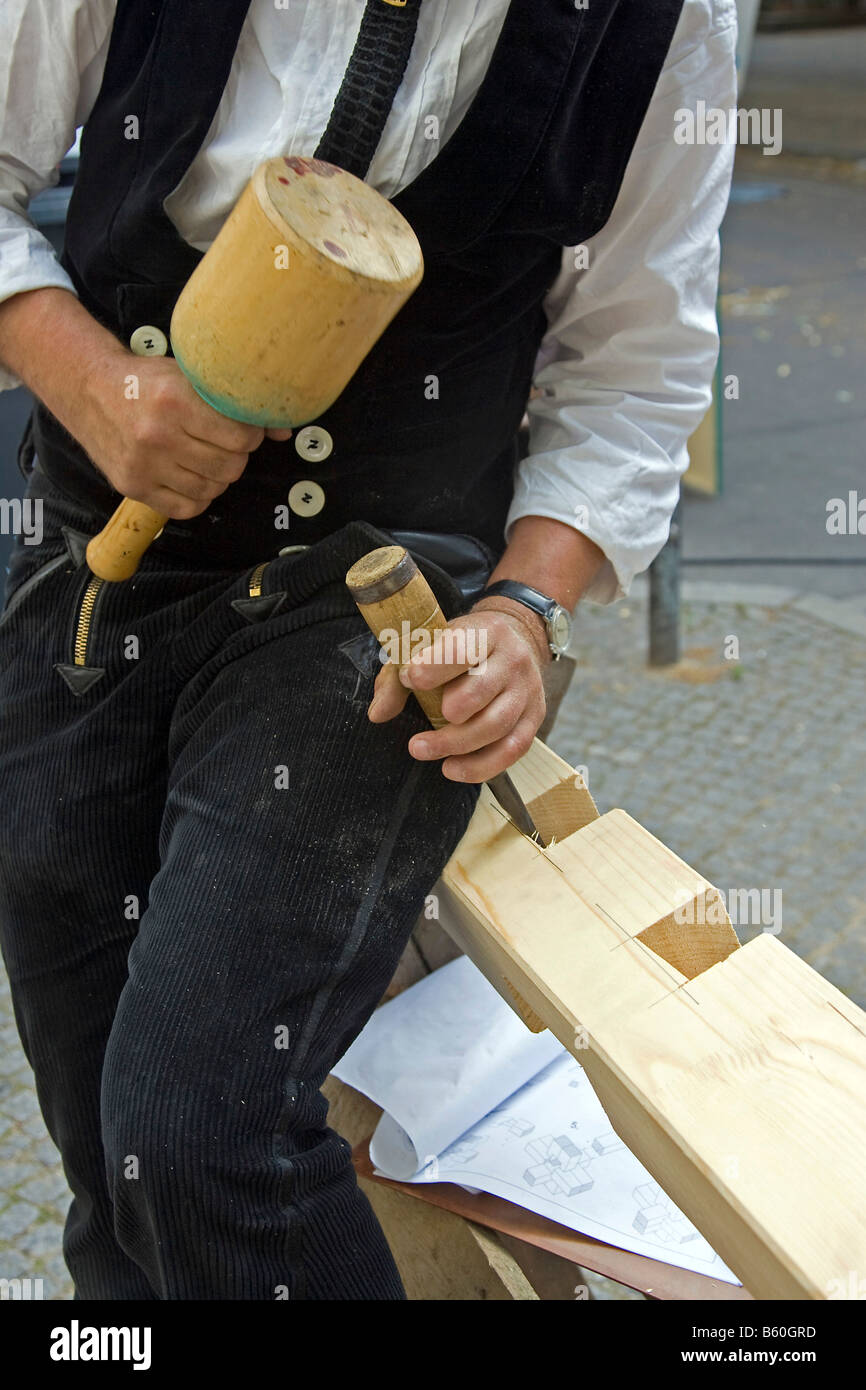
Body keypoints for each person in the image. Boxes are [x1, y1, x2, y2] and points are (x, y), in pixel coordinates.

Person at [0, 0, 737, 1299]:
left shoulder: (664, 19)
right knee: (106, 1154)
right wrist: (94, 382)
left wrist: (524, 608)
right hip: (93, 552)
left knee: (198, 1135)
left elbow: (633, 363)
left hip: (383, 590)